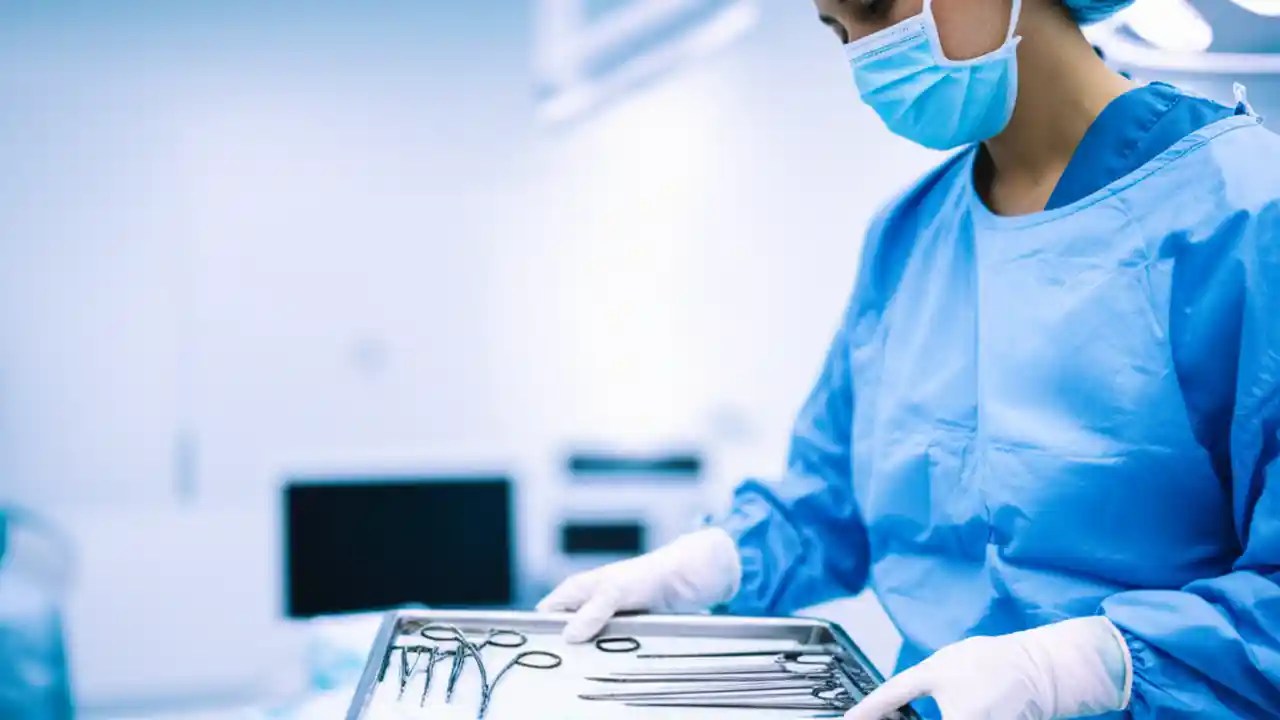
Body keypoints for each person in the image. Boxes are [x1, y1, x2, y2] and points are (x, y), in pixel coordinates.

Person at [539, 0, 1280, 716]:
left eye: (875, 6)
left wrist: (1081, 667)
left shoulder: (1245, 211)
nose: (865, 52)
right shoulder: (909, 237)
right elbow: (833, 497)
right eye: (837, 30)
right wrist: (702, 565)